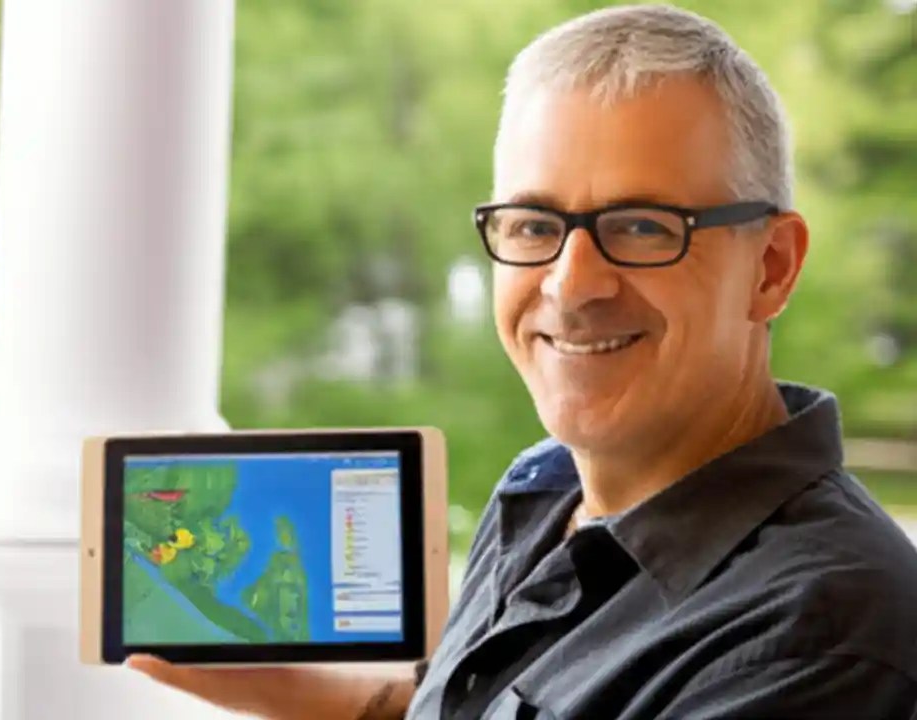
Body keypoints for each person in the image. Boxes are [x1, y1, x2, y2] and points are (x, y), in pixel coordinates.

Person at [127, 4, 917, 718]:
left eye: (642, 227)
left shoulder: (818, 643)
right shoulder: (547, 490)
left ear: (772, 267)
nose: (572, 285)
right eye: (535, 224)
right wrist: (356, 704)